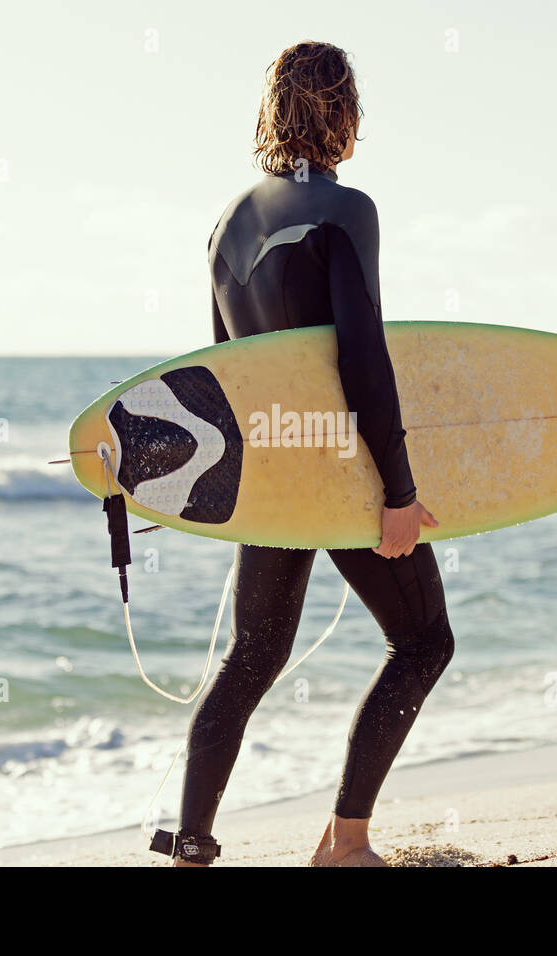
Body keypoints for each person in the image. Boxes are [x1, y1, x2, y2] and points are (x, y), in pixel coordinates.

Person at [167, 41, 455, 867]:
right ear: (343, 113)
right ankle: (346, 844)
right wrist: (398, 491)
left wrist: (245, 487)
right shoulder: (346, 210)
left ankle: (191, 847)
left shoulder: (224, 225)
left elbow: (228, 375)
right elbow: (364, 358)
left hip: (273, 469)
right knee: (424, 643)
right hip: (341, 465)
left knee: (251, 659)